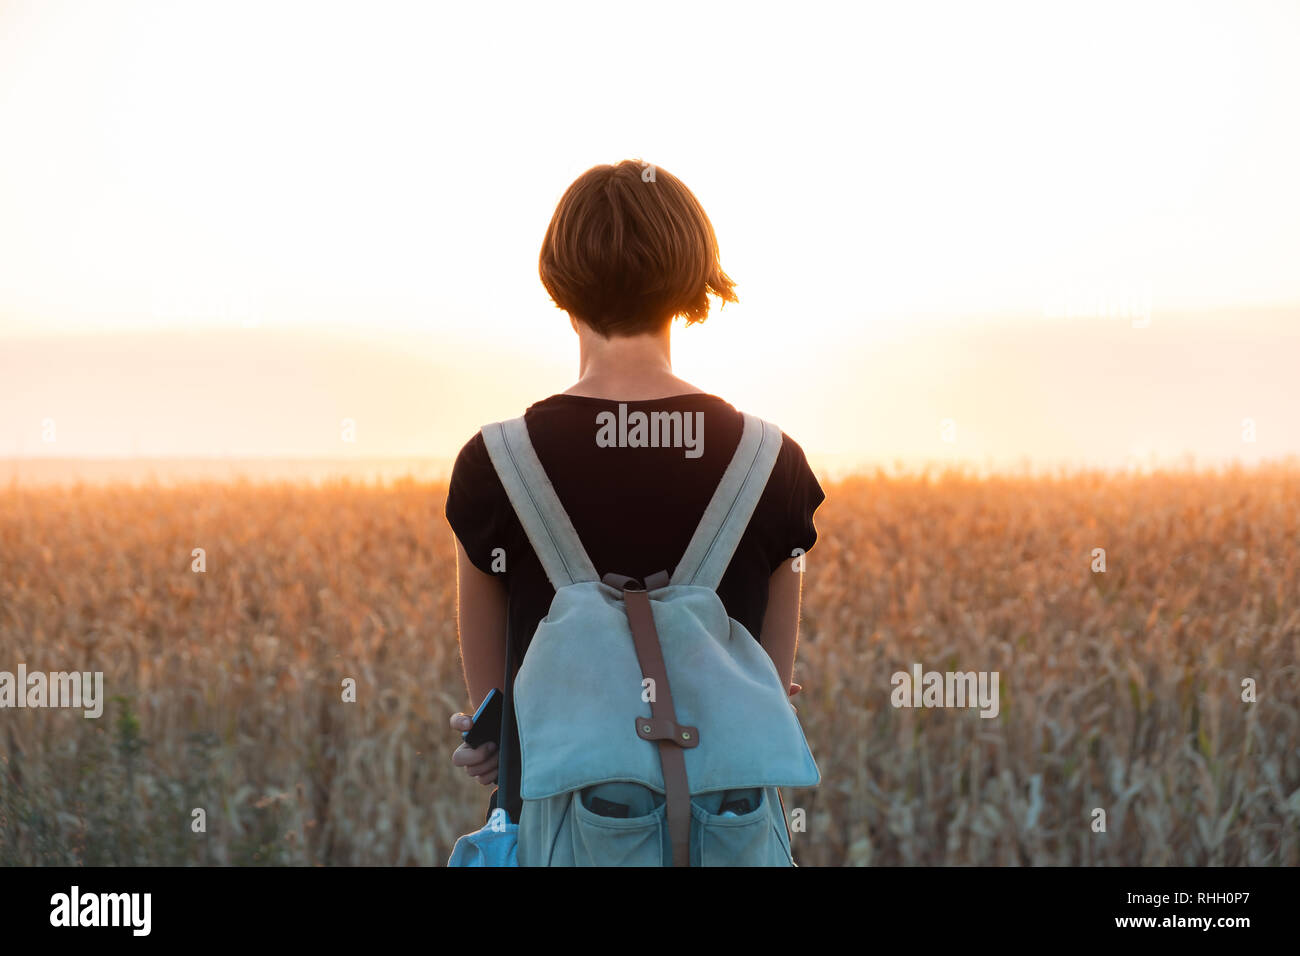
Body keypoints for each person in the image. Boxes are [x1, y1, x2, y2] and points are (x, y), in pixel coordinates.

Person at [443, 159, 825, 828]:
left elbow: (496, 720)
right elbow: (768, 689)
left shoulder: (495, 465)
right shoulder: (773, 463)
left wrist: (490, 741)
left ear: (559, 281)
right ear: (691, 275)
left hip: (564, 833)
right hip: (721, 836)